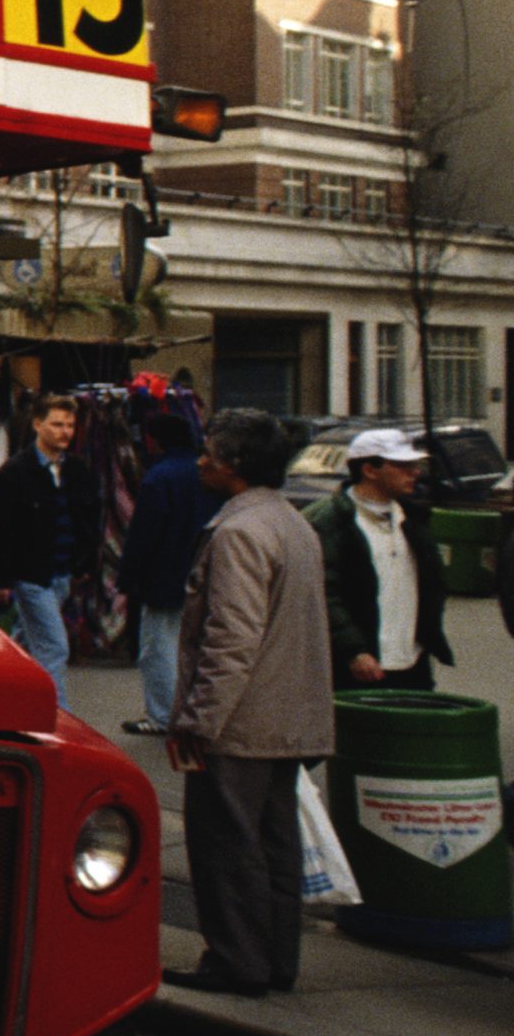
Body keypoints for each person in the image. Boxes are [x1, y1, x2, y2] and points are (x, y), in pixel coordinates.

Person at [165, 408, 335, 998]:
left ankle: (237, 961)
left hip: (242, 721)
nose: (201, 460)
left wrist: (198, 721)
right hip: (286, 716)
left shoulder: (238, 532)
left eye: (209, 451)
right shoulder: (292, 523)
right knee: (274, 845)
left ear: (234, 463)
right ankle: (274, 959)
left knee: (228, 847)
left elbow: (230, 639)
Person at [306, 426, 453, 693]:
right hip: (357, 668)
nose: (415, 472)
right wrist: (354, 650)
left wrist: (426, 639)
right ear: (369, 470)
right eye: (402, 465)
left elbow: (433, 584)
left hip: (411, 661)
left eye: (414, 465)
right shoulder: (330, 521)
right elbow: (324, 592)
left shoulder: (413, 518)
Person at [0, 392, 99, 705]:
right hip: (31, 573)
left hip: (63, 572)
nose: (65, 432)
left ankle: (8, 696)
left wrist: (84, 563)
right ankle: (56, 714)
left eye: (70, 425)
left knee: (29, 641)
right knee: (53, 645)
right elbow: (1, 528)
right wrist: (1, 578)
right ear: (38, 425)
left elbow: (88, 519)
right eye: (57, 424)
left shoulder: (77, 470)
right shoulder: (14, 473)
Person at [115, 413, 224, 735]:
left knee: (159, 649)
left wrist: (129, 577)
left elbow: (144, 534)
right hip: (206, 573)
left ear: (155, 440)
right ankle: (193, 709)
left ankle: (163, 715)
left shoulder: (159, 477)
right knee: (196, 648)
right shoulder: (209, 474)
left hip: (164, 575)